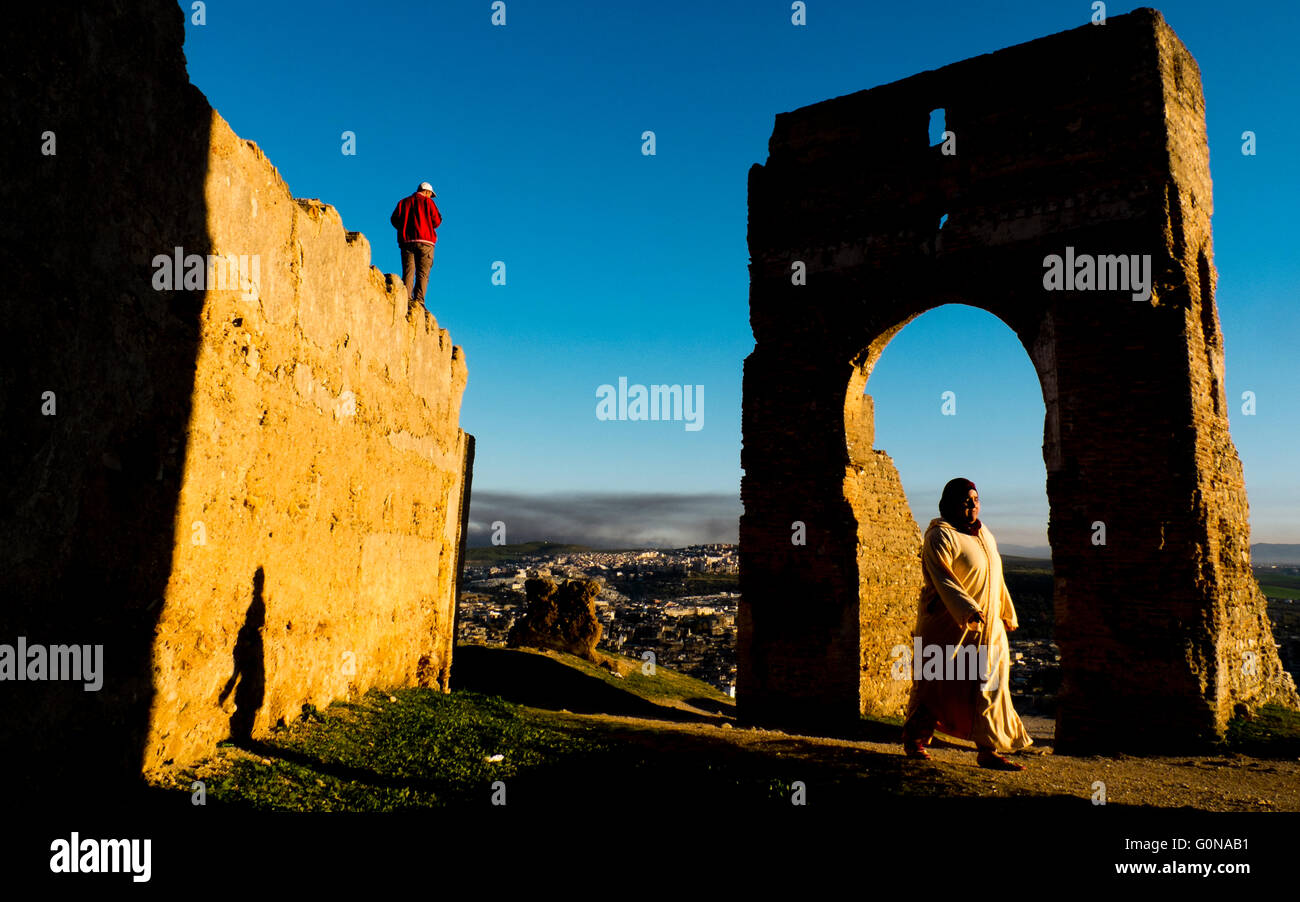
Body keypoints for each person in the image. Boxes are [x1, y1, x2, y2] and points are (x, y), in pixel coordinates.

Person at [901, 477, 1033, 770]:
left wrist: (1005, 611)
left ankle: (988, 750)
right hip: (949, 627)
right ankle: (915, 739)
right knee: (937, 683)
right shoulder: (940, 536)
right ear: (950, 504)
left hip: (988, 628)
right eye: (965, 501)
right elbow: (943, 578)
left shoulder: (983, 533)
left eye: (975, 500)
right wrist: (967, 609)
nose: (972, 506)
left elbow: (995, 575)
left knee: (990, 685)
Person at [390, 181, 442, 309]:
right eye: (430, 194)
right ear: (427, 192)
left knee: (408, 271)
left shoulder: (403, 202)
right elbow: (437, 221)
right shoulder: (429, 203)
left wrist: (404, 228)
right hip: (426, 241)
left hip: (407, 241)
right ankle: (419, 302)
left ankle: (406, 299)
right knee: (423, 273)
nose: (430, 197)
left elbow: (394, 219)